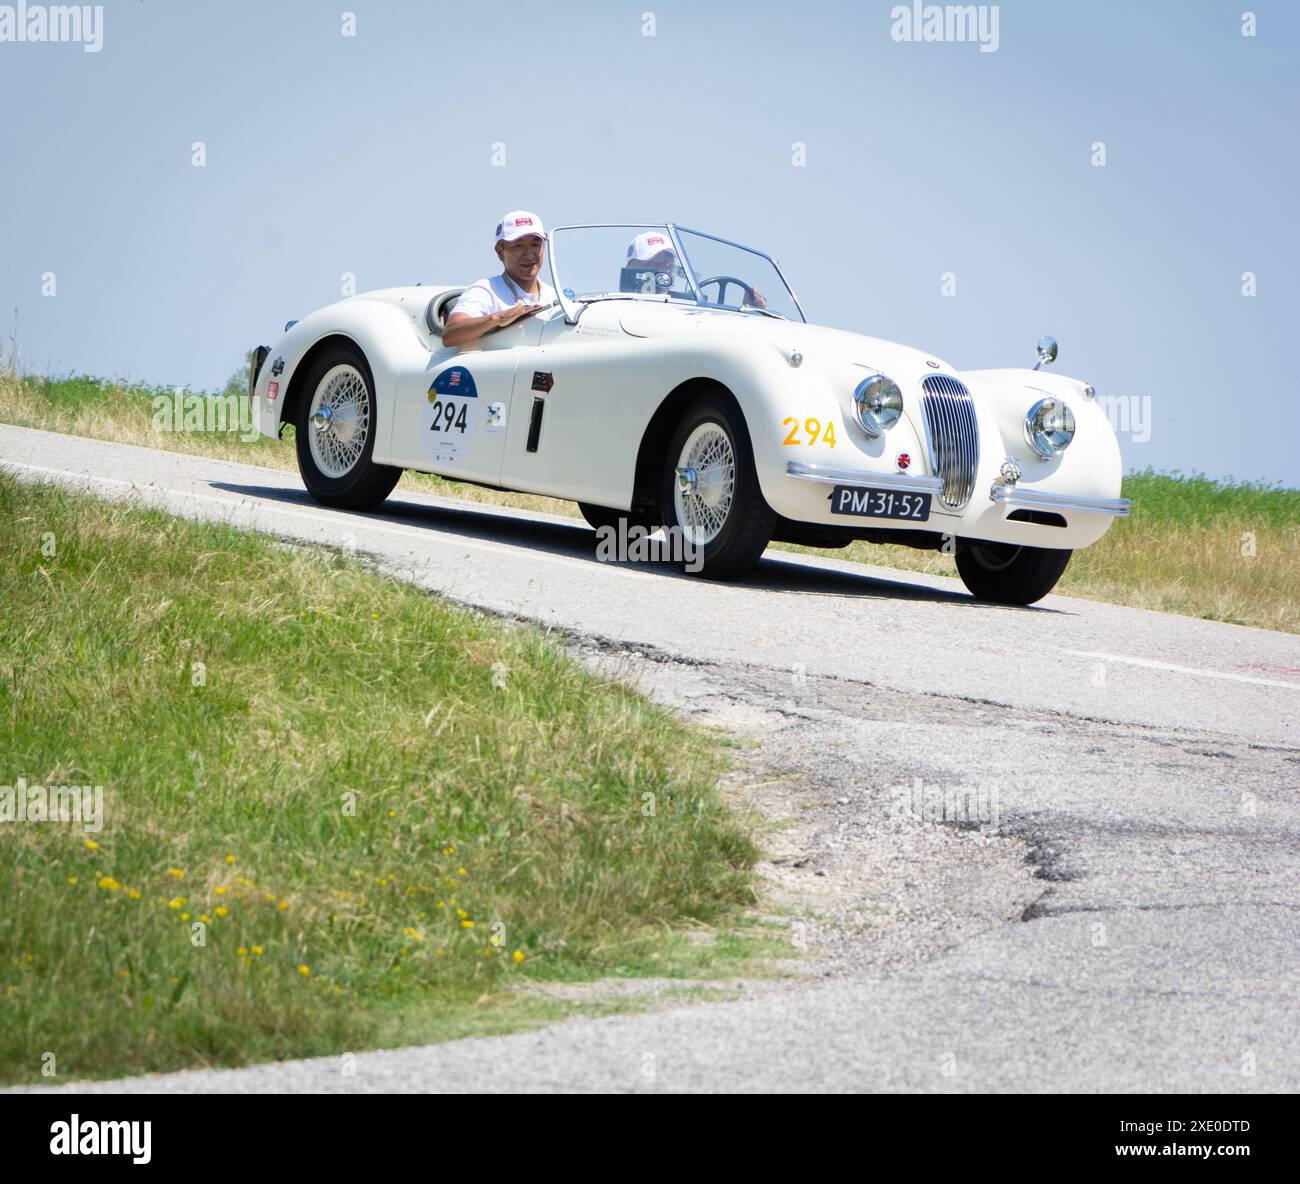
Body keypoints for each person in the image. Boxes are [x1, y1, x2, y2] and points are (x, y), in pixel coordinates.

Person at [444, 210, 557, 348]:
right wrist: (498, 318)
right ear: (500, 252)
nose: (529, 254)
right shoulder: (486, 290)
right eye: (518, 246)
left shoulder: (554, 296)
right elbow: (450, 335)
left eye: (535, 244)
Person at [621, 230, 767, 309]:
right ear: (631, 267)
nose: (661, 270)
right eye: (652, 264)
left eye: (667, 264)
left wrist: (751, 309)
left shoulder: (690, 307)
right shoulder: (618, 306)